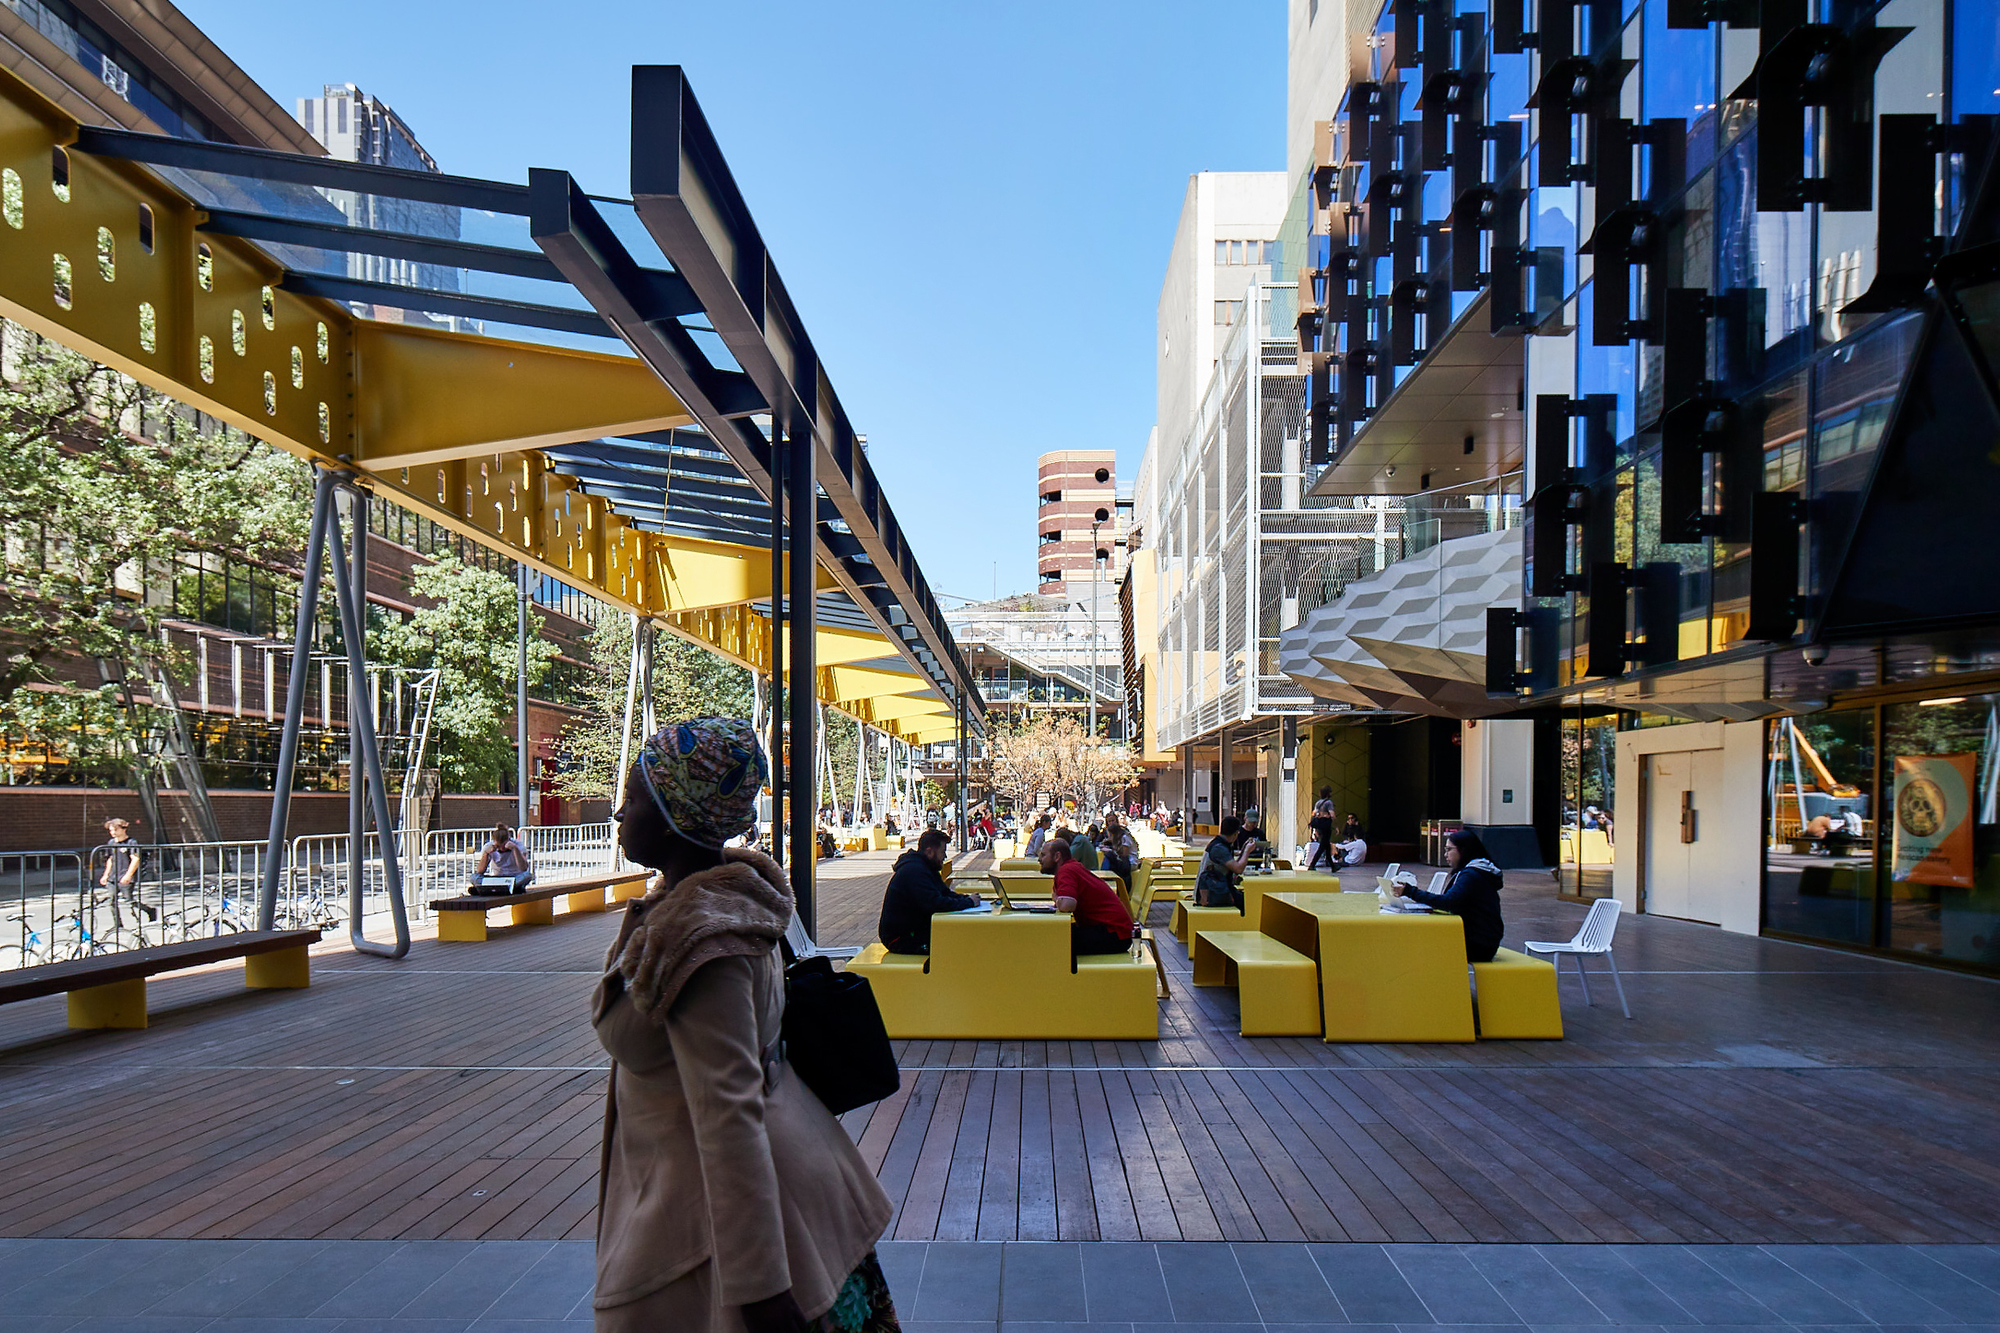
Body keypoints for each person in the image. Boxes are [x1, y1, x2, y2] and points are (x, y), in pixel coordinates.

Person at [595, 719, 897, 1333]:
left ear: (676, 816)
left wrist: (761, 1289)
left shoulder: (701, 942)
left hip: (712, 1232)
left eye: (635, 795)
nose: (620, 810)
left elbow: (728, 1113)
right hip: (773, 1187)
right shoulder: (728, 905)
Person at [1397, 828, 1504, 962]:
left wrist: (1410, 892)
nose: (1445, 854)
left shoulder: (1472, 875)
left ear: (1463, 850)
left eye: (1449, 850)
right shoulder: (1473, 872)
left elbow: (1449, 901)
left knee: (1420, 945)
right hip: (1481, 940)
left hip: (1478, 944)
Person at [878, 828, 980, 955]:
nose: (945, 856)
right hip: (900, 938)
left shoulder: (926, 867)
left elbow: (944, 893)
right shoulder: (915, 871)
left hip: (914, 930)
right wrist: (969, 903)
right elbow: (935, 904)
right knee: (954, 946)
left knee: (958, 938)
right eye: (943, 852)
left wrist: (967, 899)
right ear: (930, 852)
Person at [1038, 836, 1134, 956]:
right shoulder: (1072, 867)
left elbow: (1067, 905)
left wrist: (1056, 898)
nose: (1039, 859)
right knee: (1058, 934)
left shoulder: (1066, 870)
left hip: (1115, 934)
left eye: (1043, 855)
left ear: (1057, 856)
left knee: (1054, 940)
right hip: (1118, 931)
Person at [97, 817, 156, 924]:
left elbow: (135, 859)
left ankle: (149, 910)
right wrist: (106, 875)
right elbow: (110, 859)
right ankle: (117, 924)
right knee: (111, 900)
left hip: (125, 875)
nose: (113, 833)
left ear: (123, 829)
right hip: (113, 876)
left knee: (128, 900)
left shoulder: (131, 842)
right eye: (111, 830)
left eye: (115, 830)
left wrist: (128, 875)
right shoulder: (111, 843)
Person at [1195, 815, 1251, 910]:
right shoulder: (1219, 848)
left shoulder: (1218, 843)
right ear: (1236, 833)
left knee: (1244, 898)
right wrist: (1247, 851)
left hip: (1215, 888)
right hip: (1212, 893)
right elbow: (1238, 869)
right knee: (1249, 903)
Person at [473, 823, 534, 893]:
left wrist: (515, 849)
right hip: (498, 878)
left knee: (527, 876)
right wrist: (486, 854)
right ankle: (495, 888)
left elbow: (523, 868)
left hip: (514, 877)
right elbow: (480, 871)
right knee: (474, 877)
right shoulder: (488, 847)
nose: (501, 849)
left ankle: (497, 888)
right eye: (498, 846)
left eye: (504, 846)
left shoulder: (518, 845)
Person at [1099, 813, 1140, 883]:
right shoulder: (1113, 835)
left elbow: (1124, 854)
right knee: (1109, 857)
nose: (1111, 823)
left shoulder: (1124, 836)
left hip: (1130, 862)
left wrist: (1111, 849)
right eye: (1109, 822)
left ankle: (1104, 880)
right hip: (1123, 861)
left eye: (1113, 821)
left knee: (1109, 856)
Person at [1306, 791, 1337, 872]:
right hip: (1326, 826)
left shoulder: (1318, 803)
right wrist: (1336, 826)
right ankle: (1312, 865)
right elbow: (1332, 814)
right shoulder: (1328, 802)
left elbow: (1314, 813)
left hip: (1320, 826)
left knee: (1326, 846)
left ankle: (1333, 866)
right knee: (1323, 846)